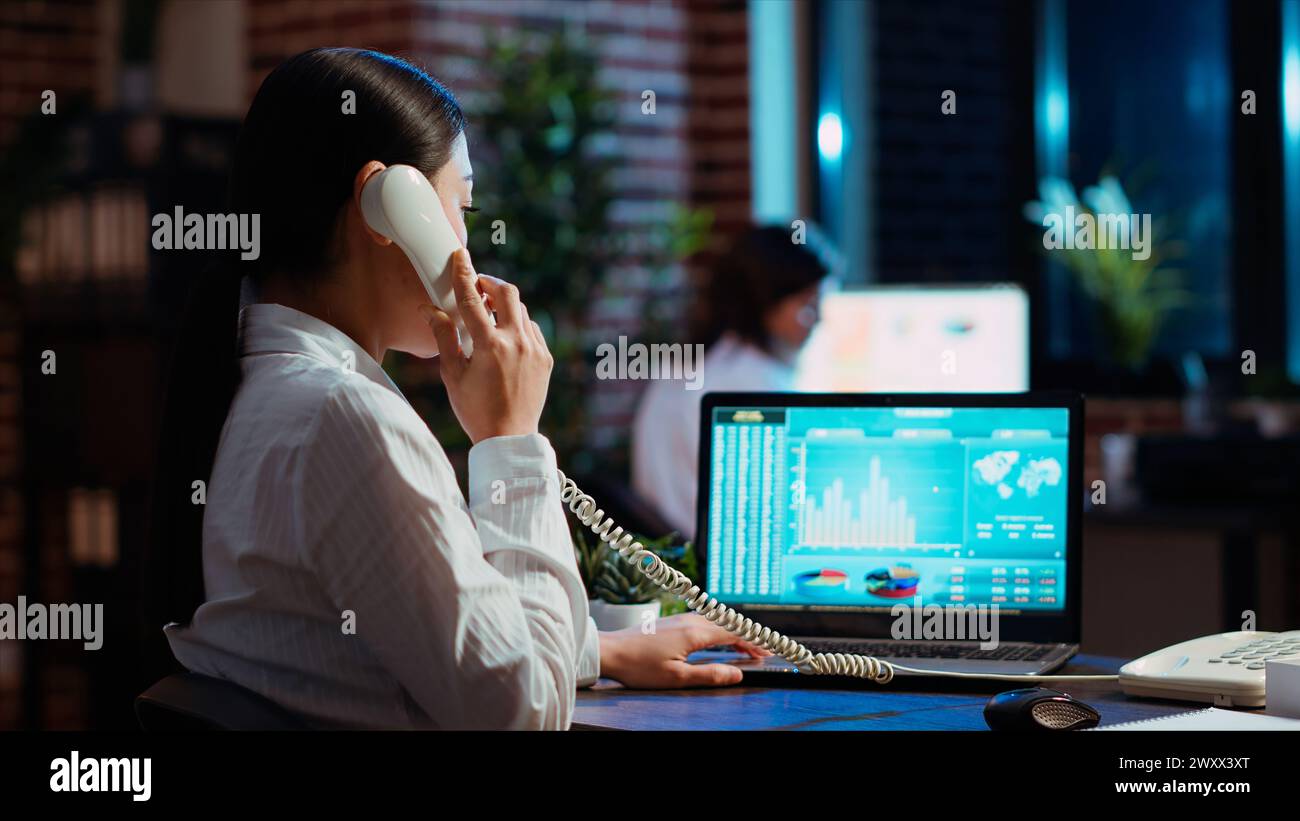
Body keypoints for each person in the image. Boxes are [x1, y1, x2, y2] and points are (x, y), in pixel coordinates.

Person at [147, 47, 766, 731]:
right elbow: (521, 713)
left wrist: (598, 647)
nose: (467, 241)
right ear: (388, 208)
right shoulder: (344, 417)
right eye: (460, 205)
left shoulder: (262, 386)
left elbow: (390, 635)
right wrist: (513, 439)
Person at [632, 226, 834, 539]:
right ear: (764, 301)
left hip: (664, 566)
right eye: (808, 304)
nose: (818, 318)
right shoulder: (761, 386)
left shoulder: (681, 366)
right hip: (715, 570)